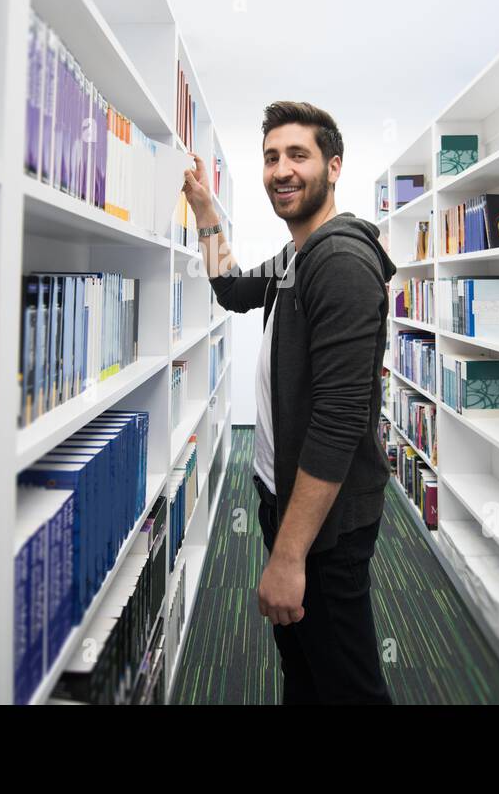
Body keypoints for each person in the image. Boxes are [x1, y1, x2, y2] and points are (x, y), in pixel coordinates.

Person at [181, 100, 396, 705]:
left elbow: (338, 423)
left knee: (349, 687)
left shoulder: (340, 262)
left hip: (324, 523)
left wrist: (289, 555)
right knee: (304, 674)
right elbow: (232, 289)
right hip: (286, 499)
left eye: (298, 155)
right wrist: (204, 209)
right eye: (271, 157)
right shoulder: (299, 255)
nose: (281, 170)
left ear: (334, 166)